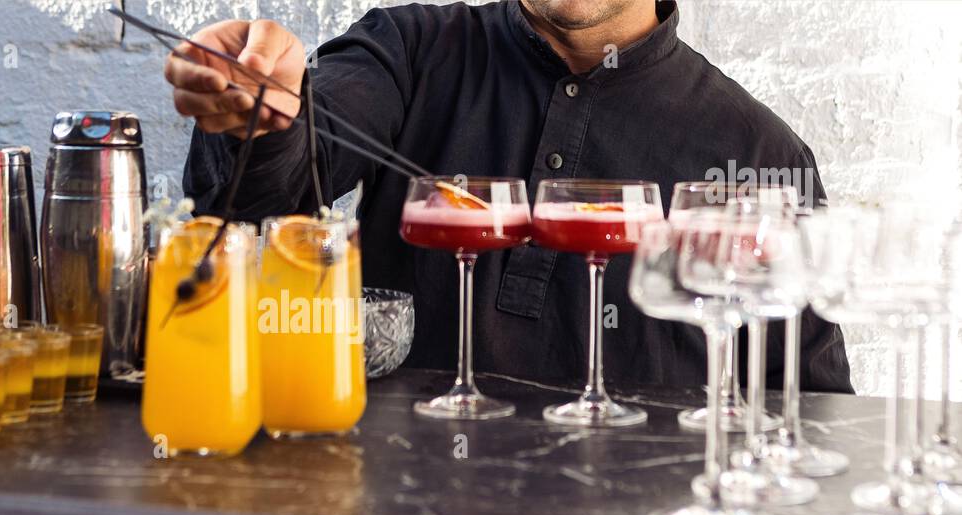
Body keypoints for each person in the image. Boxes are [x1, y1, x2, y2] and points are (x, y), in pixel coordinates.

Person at [166, 0, 853, 393]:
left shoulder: (762, 157)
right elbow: (266, 189)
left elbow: (815, 416)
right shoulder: (411, 50)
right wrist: (257, 108)